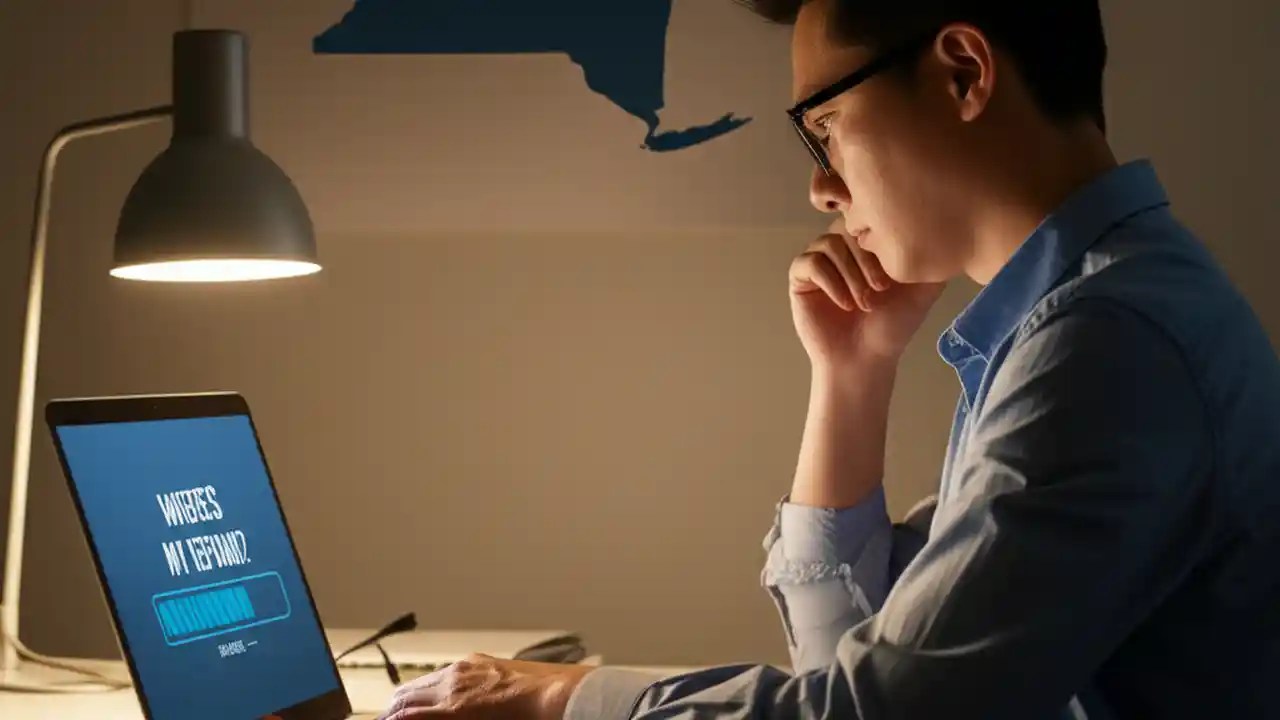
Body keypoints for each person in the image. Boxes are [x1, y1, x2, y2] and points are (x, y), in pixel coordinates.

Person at [375, 0, 1280, 717]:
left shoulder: (1108, 345)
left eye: (827, 123)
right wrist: (852, 374)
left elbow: (880, 712)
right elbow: (862, 656)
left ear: (963, 72)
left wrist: (563, 700)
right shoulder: (1082, 322)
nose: (820, 183)